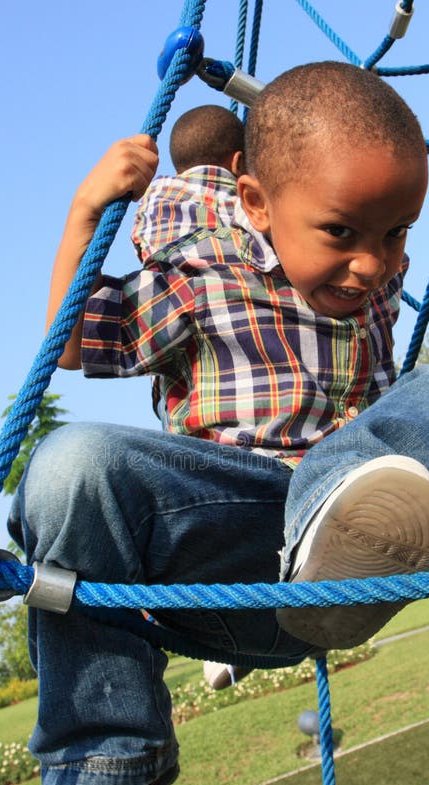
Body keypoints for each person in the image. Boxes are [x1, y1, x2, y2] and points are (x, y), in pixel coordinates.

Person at [9, 61, 429, 785]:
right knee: (70, 461)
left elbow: (336, 156)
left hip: (344, 552)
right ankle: (108, 754)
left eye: (395, 233)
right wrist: (87, 212)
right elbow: (76, 343)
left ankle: (338, 532)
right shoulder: (197, 279)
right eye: (341, 234)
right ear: (255, 204)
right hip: (228, 543)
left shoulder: (372, 286)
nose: (373, 263)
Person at [133, 104, 250, 691]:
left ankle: (214, 628)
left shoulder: (154, 215)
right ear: (239, 165)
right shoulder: (254, 209)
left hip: (190, 402)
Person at [131, 103, 244, 263]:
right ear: (238, 163)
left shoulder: (156, 196)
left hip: (167, 283)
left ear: (179, 173)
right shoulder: (247, 206)